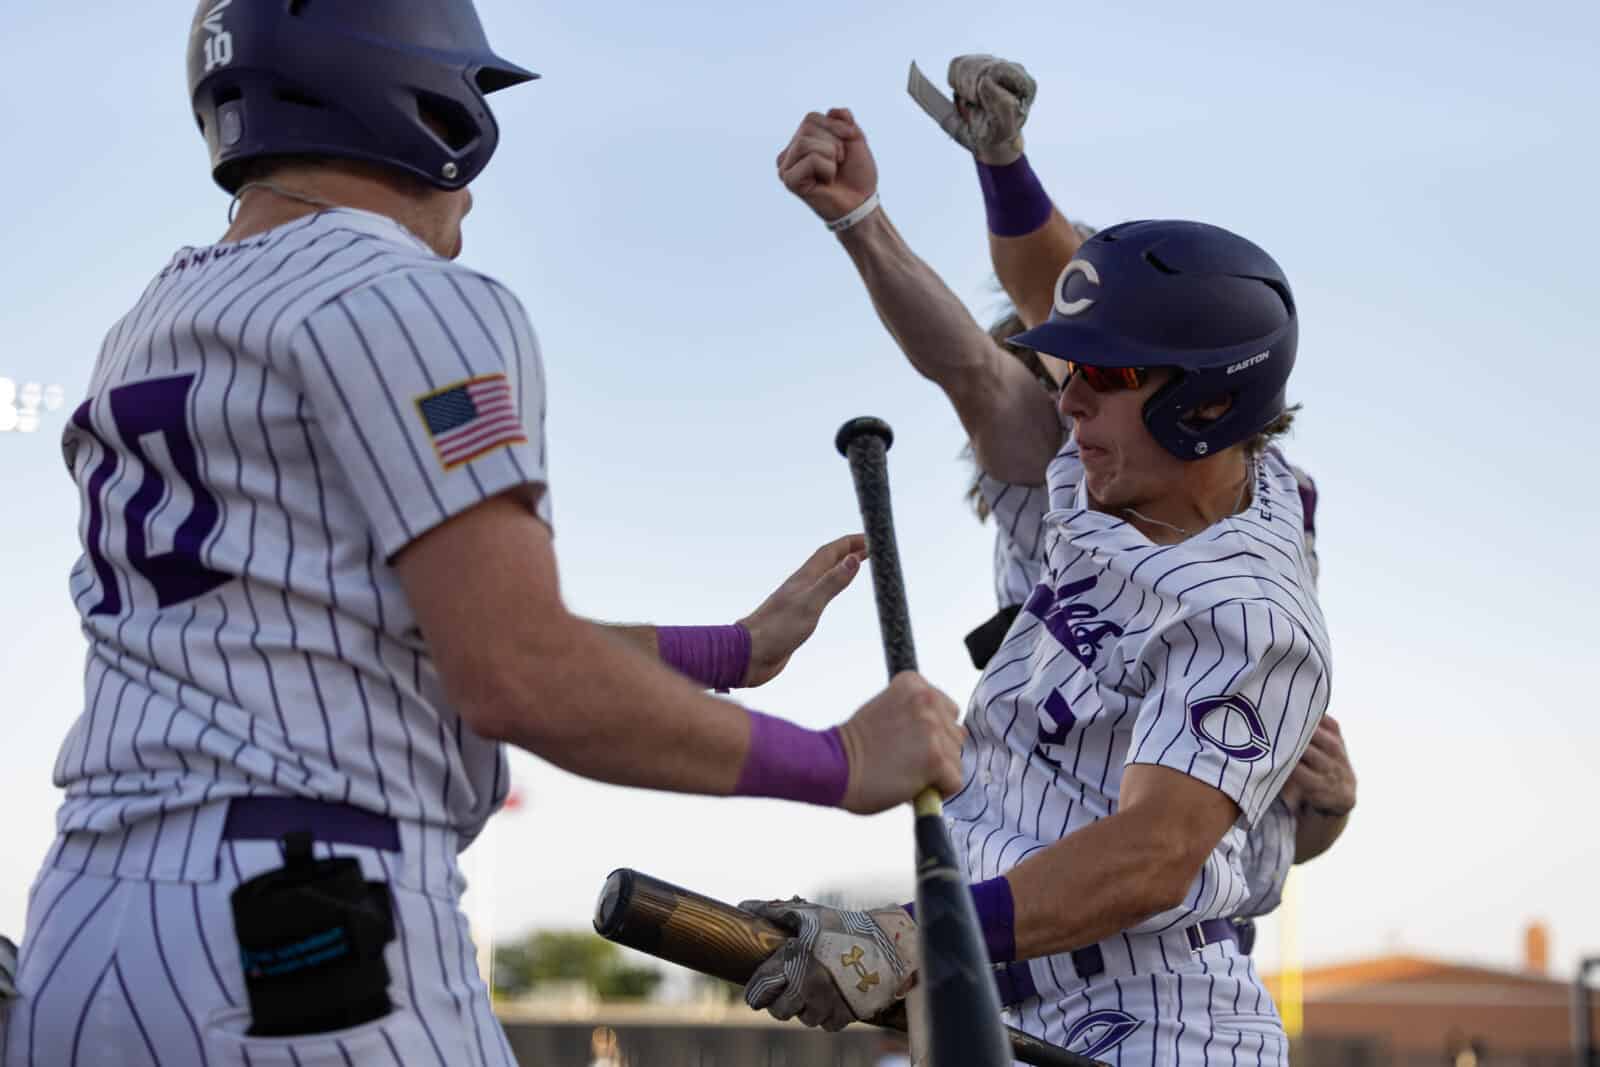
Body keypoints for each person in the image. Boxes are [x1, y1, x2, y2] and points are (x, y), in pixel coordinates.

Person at [1, 4, 964, 1065]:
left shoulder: (156, 311)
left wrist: (729, 650)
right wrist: (839, 759)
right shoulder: (409, 293)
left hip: (88, 927)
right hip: (307, 928)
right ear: (423, 98)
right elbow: (515, 669)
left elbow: (381, 618)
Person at [740, 104, 1331, 1063]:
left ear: (1208, 404)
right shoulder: (1129, 458)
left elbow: (1151, 852)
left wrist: (902, 936)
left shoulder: (1251, 609)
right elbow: (987, 351)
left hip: (1150, 1017)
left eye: (1102, 377)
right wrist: (869, 217)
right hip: (999, 969)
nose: (1064, 396)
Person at [926, 55, 1356, 923]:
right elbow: (1002, 338)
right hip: (1038, 908)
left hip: (1171, 949)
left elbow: (1211, 843)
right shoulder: (1062, 476)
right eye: (1062, 371)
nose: (1075, 396)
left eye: (1104, 370)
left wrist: (1329, 805)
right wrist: (992, 171)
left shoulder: (1264, 520)